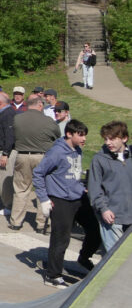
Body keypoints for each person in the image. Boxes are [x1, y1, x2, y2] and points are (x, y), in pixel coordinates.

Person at [33, 120, 101, 288]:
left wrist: (81, 189)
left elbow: (74, 174)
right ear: (69, 134)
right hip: (60, 200)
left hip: (77, 197)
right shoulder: (56, 152)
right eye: (81, 135)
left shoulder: (77, 150)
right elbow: (38, 173)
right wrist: (43, 199)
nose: (84, 139)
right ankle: (53, 275)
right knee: (61, 239)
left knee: (95, 228)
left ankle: (84, 257)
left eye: (85, 135)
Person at [10, 95, 61, 232]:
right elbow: (57, 135)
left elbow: (13, 134)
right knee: (42, 189)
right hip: (42, 157)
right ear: (40, 105)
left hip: (22, 155)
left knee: (21, 189)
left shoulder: (17, 119)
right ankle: (41, 223)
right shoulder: (48, 120)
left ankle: (16, 221)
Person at [89, 121, 132, 253]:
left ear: (124, 138)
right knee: (115, 258)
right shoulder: (99, 159)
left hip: (130, 215)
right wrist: (104, 209)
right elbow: (94, 189)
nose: (108, 142)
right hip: (111, 216)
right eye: (106, 139)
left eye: (112, 139)